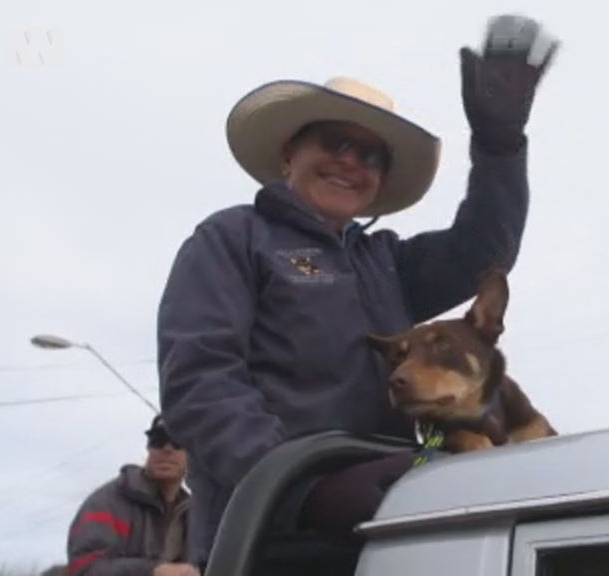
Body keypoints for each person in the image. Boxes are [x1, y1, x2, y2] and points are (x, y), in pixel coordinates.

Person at [157, 14, 558, 568]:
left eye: (371, 156)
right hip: (264, 540)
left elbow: (485, 251)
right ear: (288, 155)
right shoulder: (231, 239)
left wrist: (499, 147)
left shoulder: (388, 262)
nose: (352, 161)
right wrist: (296, 487)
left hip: (395, 527)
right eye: (335, 142)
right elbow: (201, 381)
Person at [66, 416, 194, 576]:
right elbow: (84, 569)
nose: (167, 449)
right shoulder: (105, 502)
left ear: (192, 453)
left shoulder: (195, 514)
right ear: (148, 449)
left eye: (177, 441)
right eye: (157, 440)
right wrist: (152, 571)